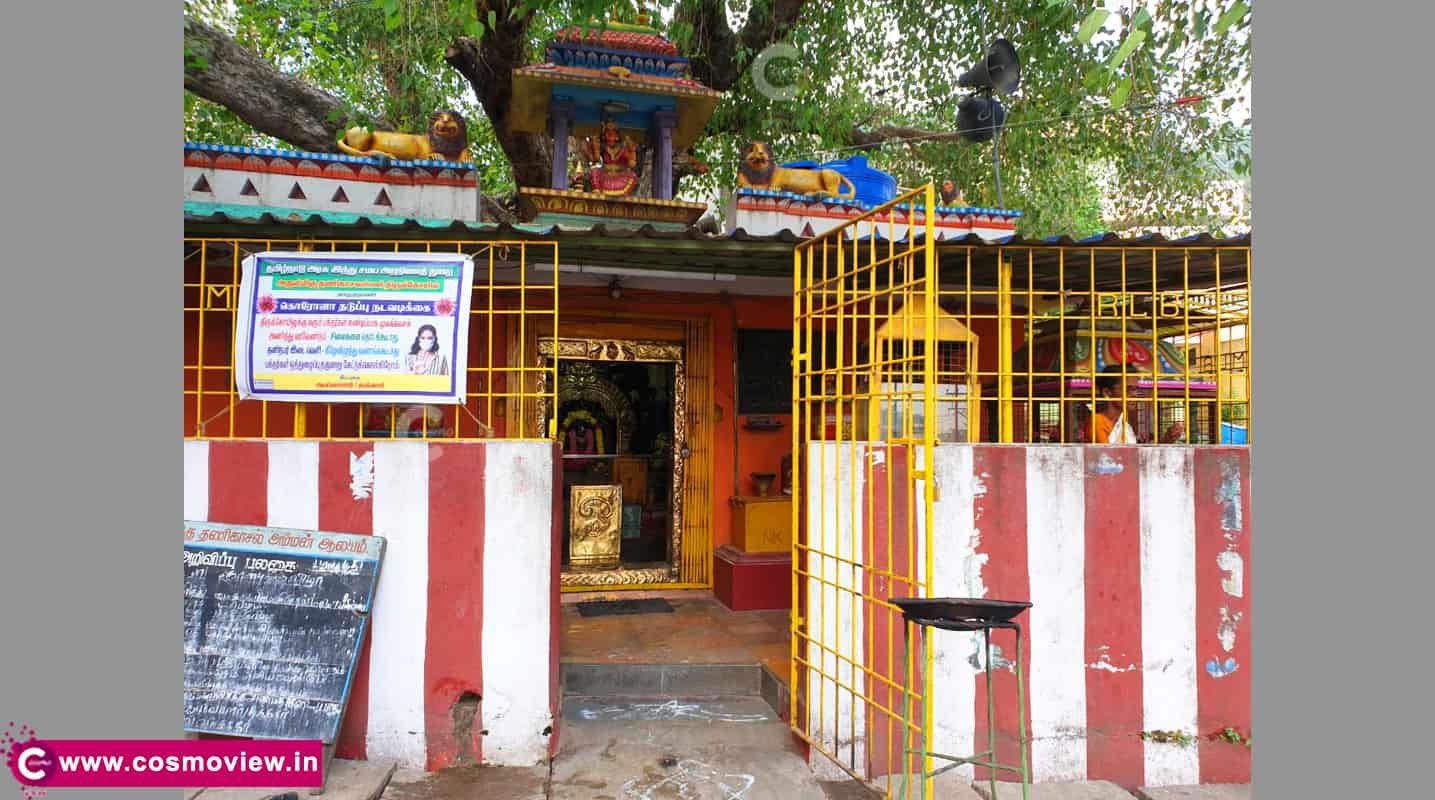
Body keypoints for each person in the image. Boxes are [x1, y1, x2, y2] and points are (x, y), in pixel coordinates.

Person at [1090, 365, 1138, 444]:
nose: (1134, 394)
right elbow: (1108, 454)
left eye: (1135, 389)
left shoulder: (1124, 424)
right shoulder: (1098, 421)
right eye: (1128, 389)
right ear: (1107, 392)